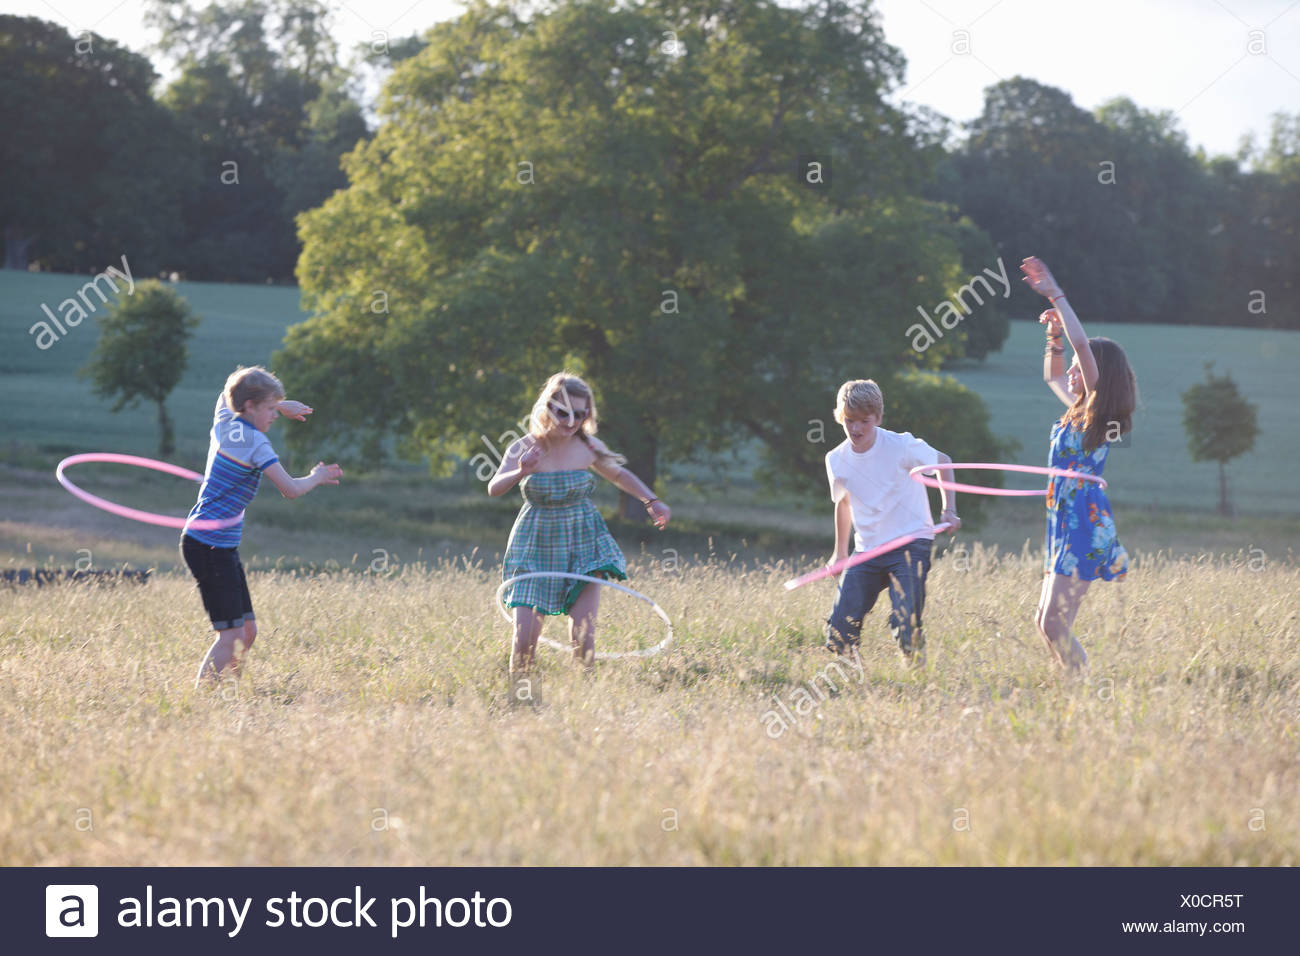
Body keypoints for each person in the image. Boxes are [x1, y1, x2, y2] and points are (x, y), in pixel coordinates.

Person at [488, 372, 670, 677]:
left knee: (584, 635)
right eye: (563, 412)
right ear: (548, 408)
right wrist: (520, 472)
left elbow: (619, 476)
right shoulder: (525, 448)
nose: (571, 421)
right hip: (535, 543)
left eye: (580, 413)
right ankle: (521, 704)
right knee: (524, 642)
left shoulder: (588, 446)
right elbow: (495, 488)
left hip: (583, 541)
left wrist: (651, 500)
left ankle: (584, 701)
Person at [182, 365, 342, 686]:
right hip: (210, 545)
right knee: (230, 636)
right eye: (270, 409)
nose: (275, 417)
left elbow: (227, 395)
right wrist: (318, 476)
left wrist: (279, 403)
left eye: (275, 409)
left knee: (248, 631)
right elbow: (291, 490)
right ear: (250, 406)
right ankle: (199, 700)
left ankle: (234, 691)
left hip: (213, 543)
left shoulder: (224, 423)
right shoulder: (257, 445)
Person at [1022, 256, 1137, 672]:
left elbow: (1084, 348)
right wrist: (1053, 336)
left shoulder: (1097, 415)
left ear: (1095, 378)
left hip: (1082, 524)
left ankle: (1082, 686)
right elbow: (1051, 377)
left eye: (1077, 369)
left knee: (1053, 623)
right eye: (1072, 366)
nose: (1070, 373)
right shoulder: (1076, 413)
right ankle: (1069, 693)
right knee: (1045, 622)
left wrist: (1056, 295)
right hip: (1063, 518)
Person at [824, 379, 959, 668]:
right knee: (839, 631)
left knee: (905, 621)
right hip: (868, 550)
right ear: (839, 416)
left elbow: (944, 462)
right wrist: (840, 552)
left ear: (878, 418)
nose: (856, 428)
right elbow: (843, 503)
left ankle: (915, 667)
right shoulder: (835, 459)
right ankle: (853, 676)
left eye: (864, 421)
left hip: (910, 543)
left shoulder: (901, 445)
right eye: (849, 420)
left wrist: (948, 509)